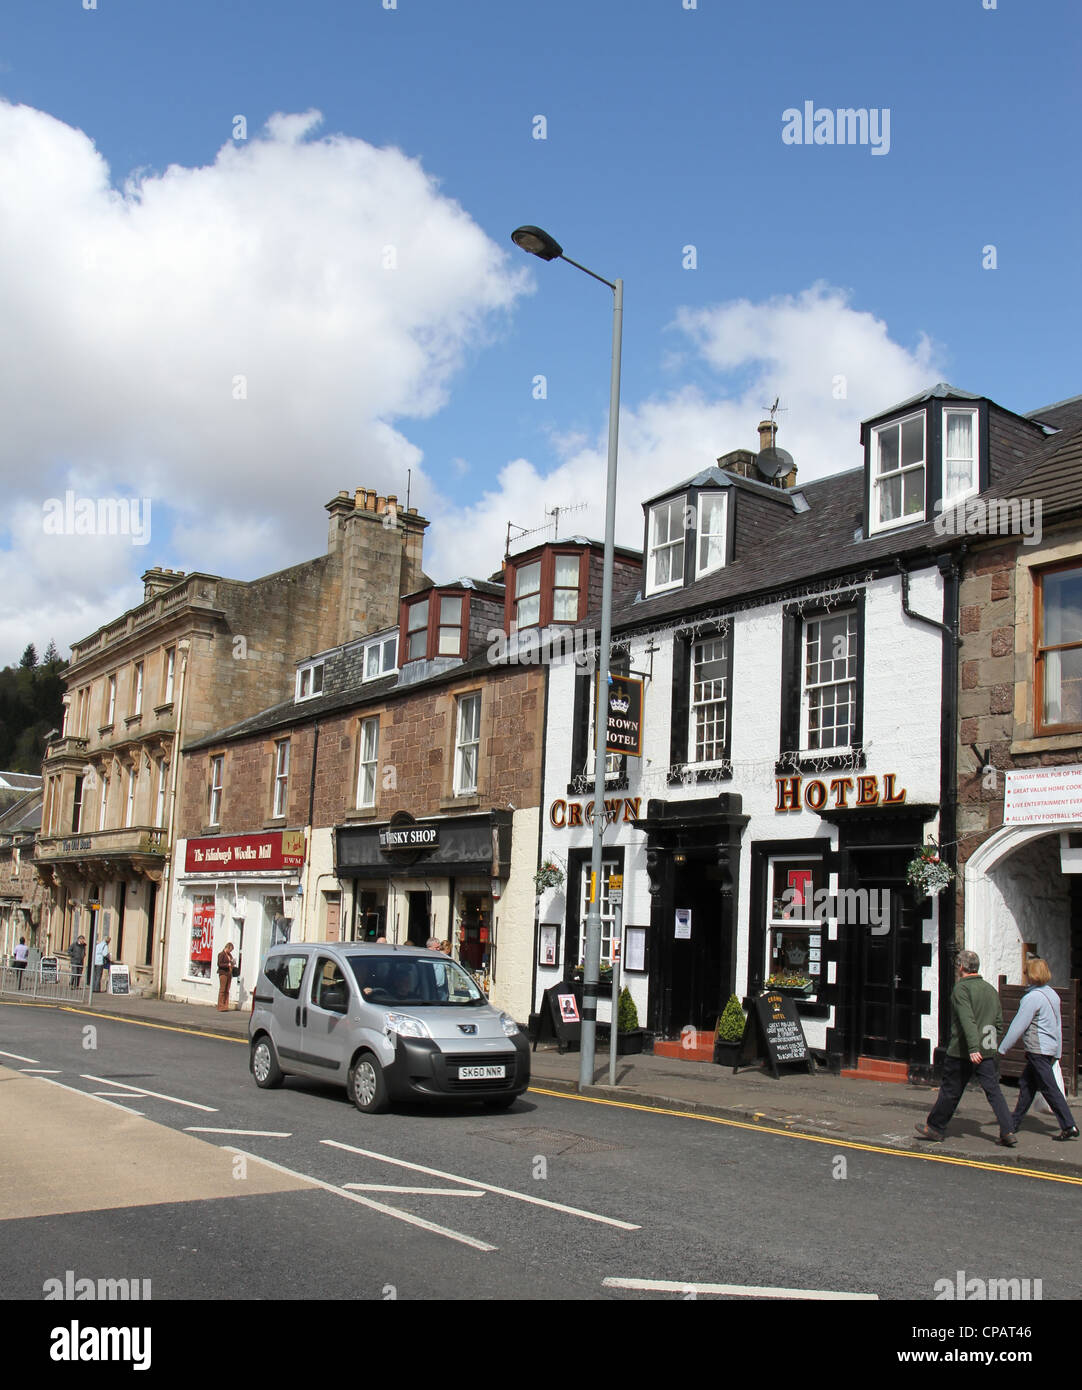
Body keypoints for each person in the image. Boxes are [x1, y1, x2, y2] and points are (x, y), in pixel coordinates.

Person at [916, 948, 1017, 1146]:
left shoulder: (961, 989)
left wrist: (973, 1048)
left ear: (961, 967)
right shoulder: (990, 989)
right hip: (987, 1050)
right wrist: (990, 1046)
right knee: (993, 1091)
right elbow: (998, 1023)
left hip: (963, 1051)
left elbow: (967, 1020)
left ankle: (935, 1127)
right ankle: (1008, 1130)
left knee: (950, 1090)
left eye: (957, 966)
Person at [999, 957, 1078, 1141]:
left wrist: (1002, 1048)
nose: (1025, 976)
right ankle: (1013, 1123)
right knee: (1027, 1085)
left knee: (1049, 1088)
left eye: (1027, 972)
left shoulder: (1031, 998)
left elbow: (1019, 1025)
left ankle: (1069, 1125)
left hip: (1038, 1050)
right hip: (1049, 1049)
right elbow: (1058, 1025)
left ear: (1032, 975)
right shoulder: (1052, 994)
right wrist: (1057, 1052)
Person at [216, 942, 235, 1011]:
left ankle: (225, 1005)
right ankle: (220, 1006)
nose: (231, 951)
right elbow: (219, 964)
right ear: (227, 947)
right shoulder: (221, 954)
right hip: (223, 973)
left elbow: (231, 962)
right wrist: (228, 965)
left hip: (229, 973)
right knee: (222, 990)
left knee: (227, 990)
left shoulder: (229, 955)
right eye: (230, 950)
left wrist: (233, 963)